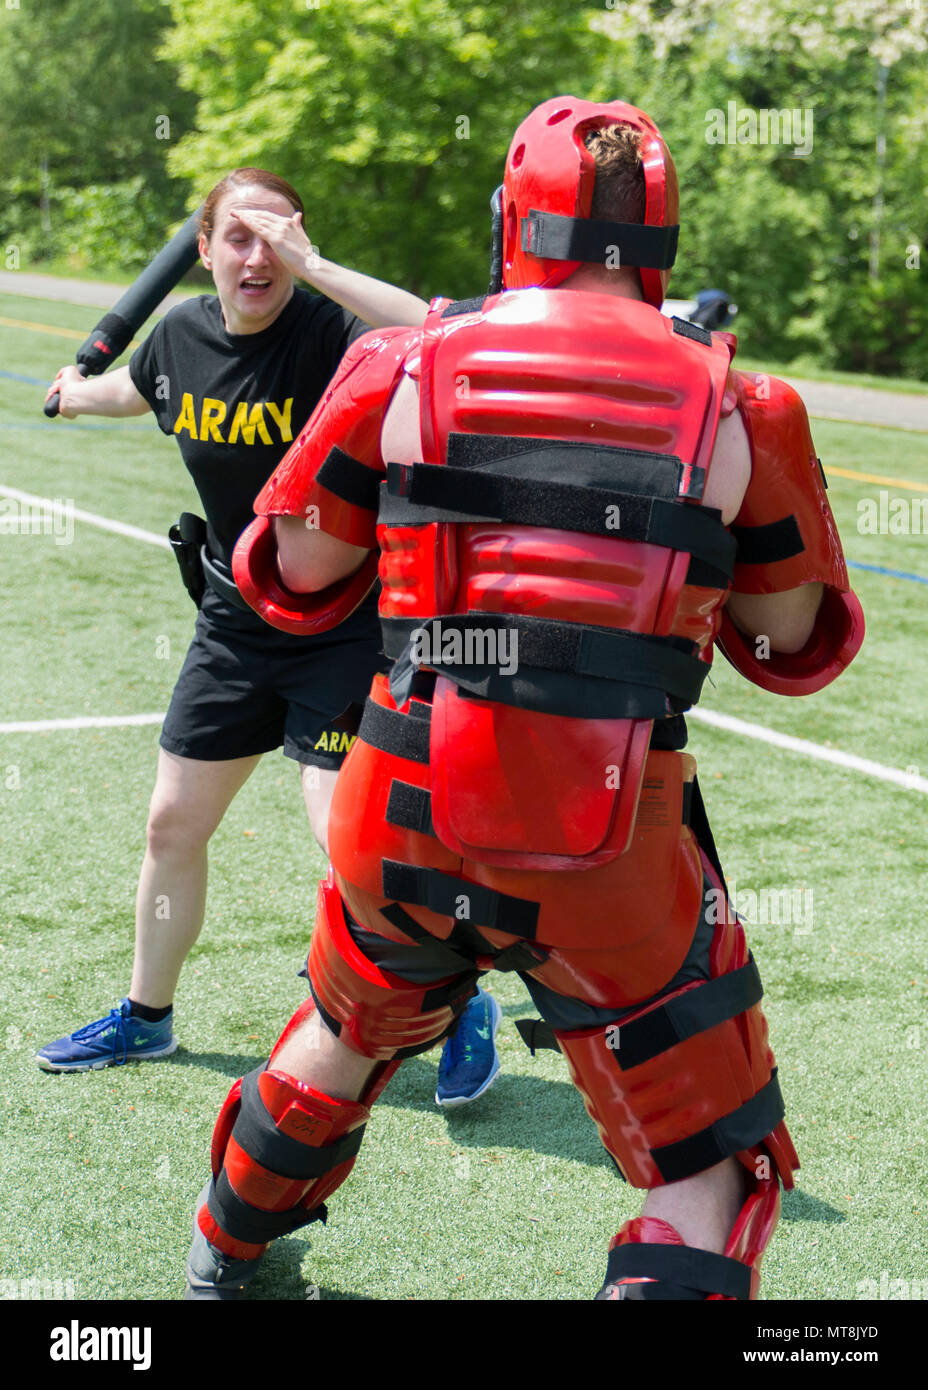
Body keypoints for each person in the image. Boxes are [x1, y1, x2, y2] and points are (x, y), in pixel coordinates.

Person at [182, 102, 864, 1301]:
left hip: (403, 803)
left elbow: (289, 575)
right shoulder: (747, 406)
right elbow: (794, 641)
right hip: (610, 836)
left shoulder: (400, 359)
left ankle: (223, 1255)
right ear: (656, 234)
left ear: (514, 221)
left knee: (339, 1033)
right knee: (711, 1164)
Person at [34, 167, 498, 1098]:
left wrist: (313, 264)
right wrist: (74, 393)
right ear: (202, 252)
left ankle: (459, 999)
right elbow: (140, 390)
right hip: (231, 622)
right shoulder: (180, 336)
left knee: (343, 832)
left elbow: (435, 331)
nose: (260, 257)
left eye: (278, 237)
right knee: (172, 820)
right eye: (238, 239)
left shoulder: (331, 336)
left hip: (340, 625)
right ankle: (147, 1018)